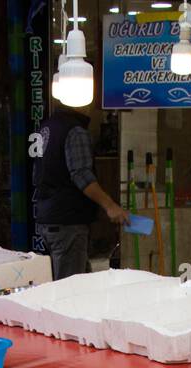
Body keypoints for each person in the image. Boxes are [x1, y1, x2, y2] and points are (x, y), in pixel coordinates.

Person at [34, 105, 130, 280]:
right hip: (68, 222)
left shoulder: (46, 127)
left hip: (47, 218)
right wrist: (110, 206)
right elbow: (81, 174)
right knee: (71, 287)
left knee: (78, 281)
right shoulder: (74, 130)